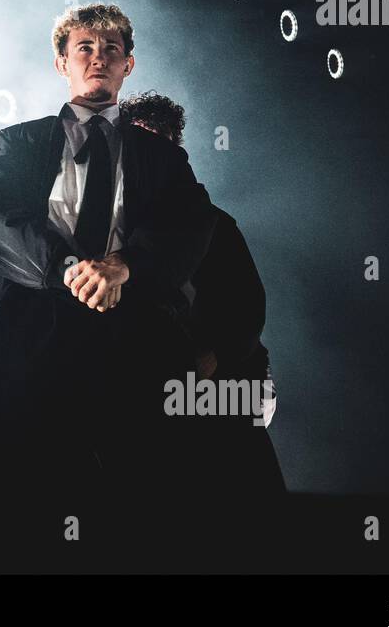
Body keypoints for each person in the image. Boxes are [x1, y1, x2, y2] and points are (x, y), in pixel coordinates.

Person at [0, 3, 218, 481]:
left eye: (111, 49)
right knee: (16, 480)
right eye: (84, 48)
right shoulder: (18, 142)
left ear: (129, 65)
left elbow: (190, 223)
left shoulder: (162, 157)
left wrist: (124, 265)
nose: (98, 57)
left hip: (134, 338)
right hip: (32, 334)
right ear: (62, 63)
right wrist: (68, 271)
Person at [119, 90, 284, 489]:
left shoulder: (211, 221)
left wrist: (219, 353)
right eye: (136, 138)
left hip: (211, 388)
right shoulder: (105, 222)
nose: (146, 151)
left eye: (155, 140)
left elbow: (247, 301)